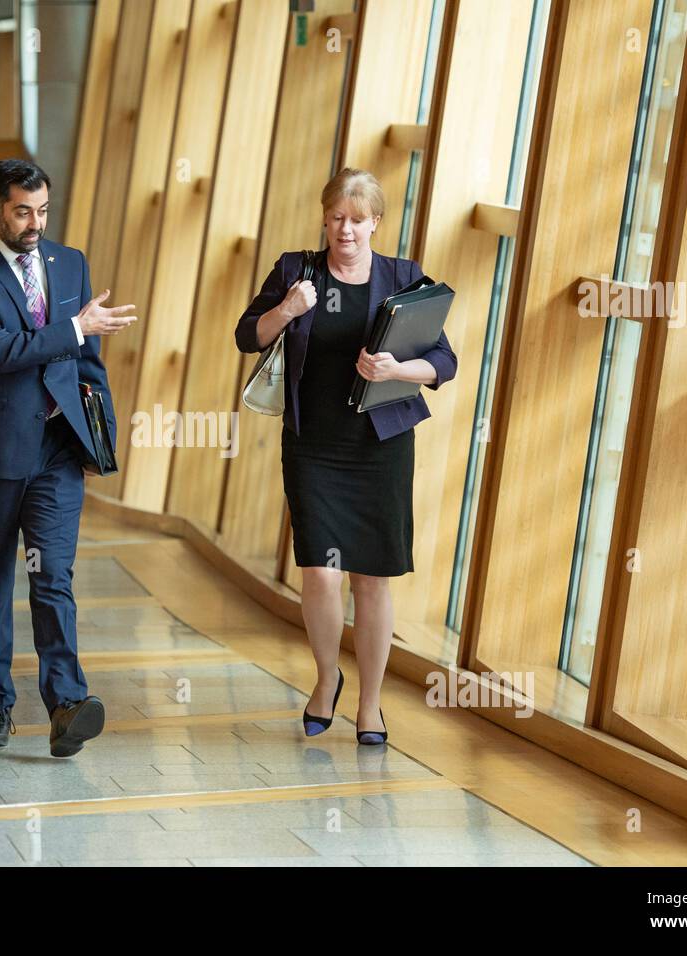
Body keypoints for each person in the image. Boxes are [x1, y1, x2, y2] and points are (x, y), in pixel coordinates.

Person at [234, 167, 458, 746]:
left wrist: (397, 369)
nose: (346, 230)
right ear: (325, 218)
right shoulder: (295, 270)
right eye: (337, 218)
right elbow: (246, 335)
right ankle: (327, 676)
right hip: (314, 446)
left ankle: (373, 704)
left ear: (375, 223)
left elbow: (444, 360)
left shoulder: (404, 278)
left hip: (379, 447)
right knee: (319, 571)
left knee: (373, 580)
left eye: (358, 220)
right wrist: (287, 309)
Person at [0, 158, 136, 757]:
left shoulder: (69, 262)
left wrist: (98, 429)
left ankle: (67, 704)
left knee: (52, 576)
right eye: (23, 211)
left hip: (55, 448)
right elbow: (0, 351)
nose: (35, 223)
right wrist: (75, 328)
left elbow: (87, 361)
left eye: (43, 210)